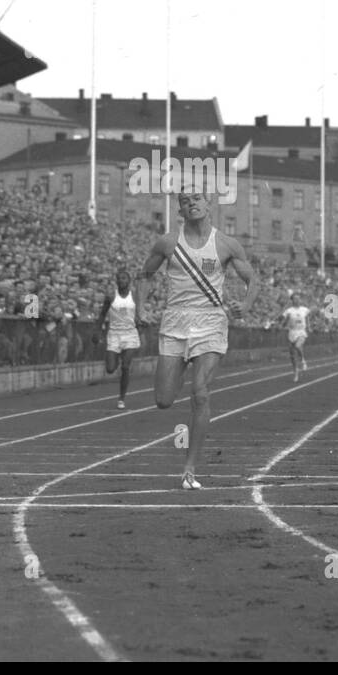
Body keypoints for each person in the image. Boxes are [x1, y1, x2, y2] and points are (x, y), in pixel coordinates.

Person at [136, 188, 258, 490]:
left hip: (210, 321)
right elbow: (145, 274)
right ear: (181, 210)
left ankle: (189, 468)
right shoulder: (167, 242)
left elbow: (252, 280)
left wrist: (244, 306)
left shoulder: (226, 244)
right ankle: (182, 367)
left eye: (196, 200)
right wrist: (140, 307)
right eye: (185, 202)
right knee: (164, 401)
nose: (191, 204)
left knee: (200, 393)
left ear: (208, 204)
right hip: (175, 320)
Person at [98, 267, 140, 410]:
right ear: (116, 281)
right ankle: (116, 357)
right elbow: (102, 314)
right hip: (114, 334)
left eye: (124, 278)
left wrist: (141, 319)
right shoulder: (111, 296)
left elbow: (139, 312)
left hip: (130, 335)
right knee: (110, 369)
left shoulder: (134, 296)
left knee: (126, 366)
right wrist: (97, 331)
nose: (121, 280)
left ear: (129, 281)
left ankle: (121, 398)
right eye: (119, 278)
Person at [280, 292, 310, 382]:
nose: (297, 300)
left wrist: (309, 326)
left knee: (298, 346)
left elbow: (307, 318)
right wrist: (283, 323)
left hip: (301, 332)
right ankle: (296, 374)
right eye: (295, 299)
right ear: (292, 300)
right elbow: (284, 322)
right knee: (292, 356)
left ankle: (303, 360)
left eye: (298, 298)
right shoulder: (289, 311)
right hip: (292, 332)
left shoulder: (304, 309)